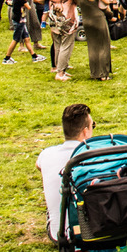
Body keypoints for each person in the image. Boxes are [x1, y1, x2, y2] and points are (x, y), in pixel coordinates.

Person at [36, 103, 94, 242]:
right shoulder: (93, 154)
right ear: (85, 131)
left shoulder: (46, 154)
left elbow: (38, 166)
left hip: (59, 232)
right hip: (92, 231)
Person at [74, 0, 115, 80]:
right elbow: (106, 1)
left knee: (92, 47)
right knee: (103, 45)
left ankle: (95, 72)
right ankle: (103, 73)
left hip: (86, 19)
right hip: (97, 18)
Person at [44, 0, 79, 82]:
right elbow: (77, 1)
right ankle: (60, 72)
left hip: (53, 19)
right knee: (66, 44)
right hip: (67, 19)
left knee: (57, 44)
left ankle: (60, 68)